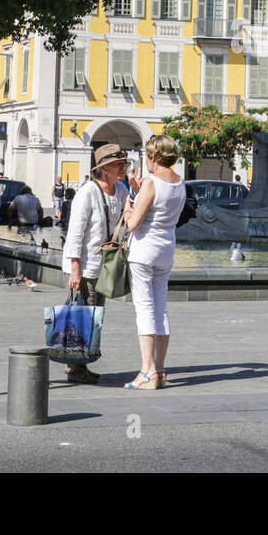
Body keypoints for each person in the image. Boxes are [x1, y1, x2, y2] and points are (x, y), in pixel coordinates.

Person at [62, 144, 131, 384]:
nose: (123, 167)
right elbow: (75, 233)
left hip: (104, 266)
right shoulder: (87, 192)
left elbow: (129, 215)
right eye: (117, 164)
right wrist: (75, 269)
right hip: (86, 266)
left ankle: (81, 364)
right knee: (83, 314)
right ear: (103, 169)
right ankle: (74, 367)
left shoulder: (120, 189)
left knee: (94, 315)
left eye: (124, 163)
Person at [122, 136, 184, 390]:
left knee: (144, 309)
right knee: (161, 308)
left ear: (155, 157)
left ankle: (146, 371)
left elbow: (133, 223)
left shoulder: (150, 182)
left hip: (144, 252)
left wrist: (129, 201)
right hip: (166, 251)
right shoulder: (181, 184)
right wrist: (140, 190)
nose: (146, 160)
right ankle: (160, 369)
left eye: (147, 155)